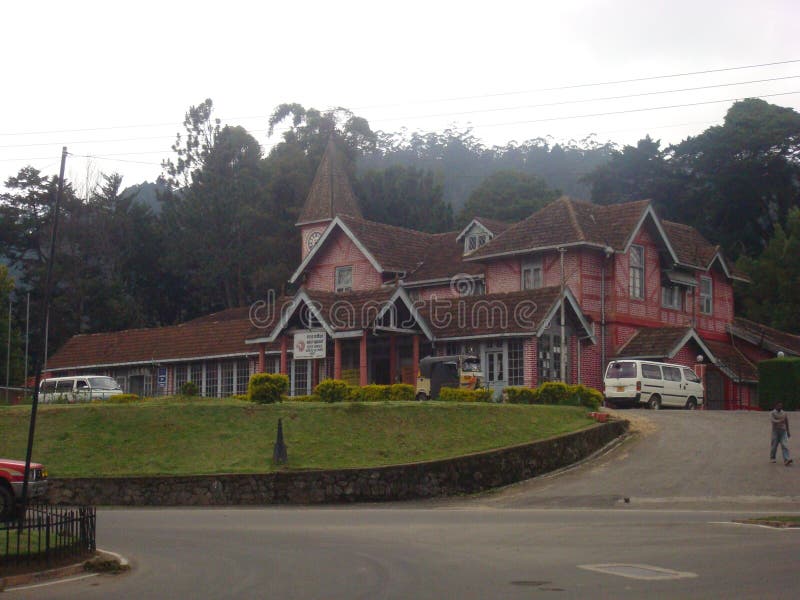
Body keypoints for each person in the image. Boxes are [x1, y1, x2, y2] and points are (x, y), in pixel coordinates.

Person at [770, 402, 792, 466]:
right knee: (774, 445)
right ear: (775, 406)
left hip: (783, 431)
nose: (780, 407)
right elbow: (773, 420)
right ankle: (772, 457)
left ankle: (786, 459)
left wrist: (788, 431)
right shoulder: (772, 413)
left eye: (781, 406)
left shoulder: (784, 413)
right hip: (775, 431)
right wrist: (780, 421)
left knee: (784, 445)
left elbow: (786, 421)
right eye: (779, 406)